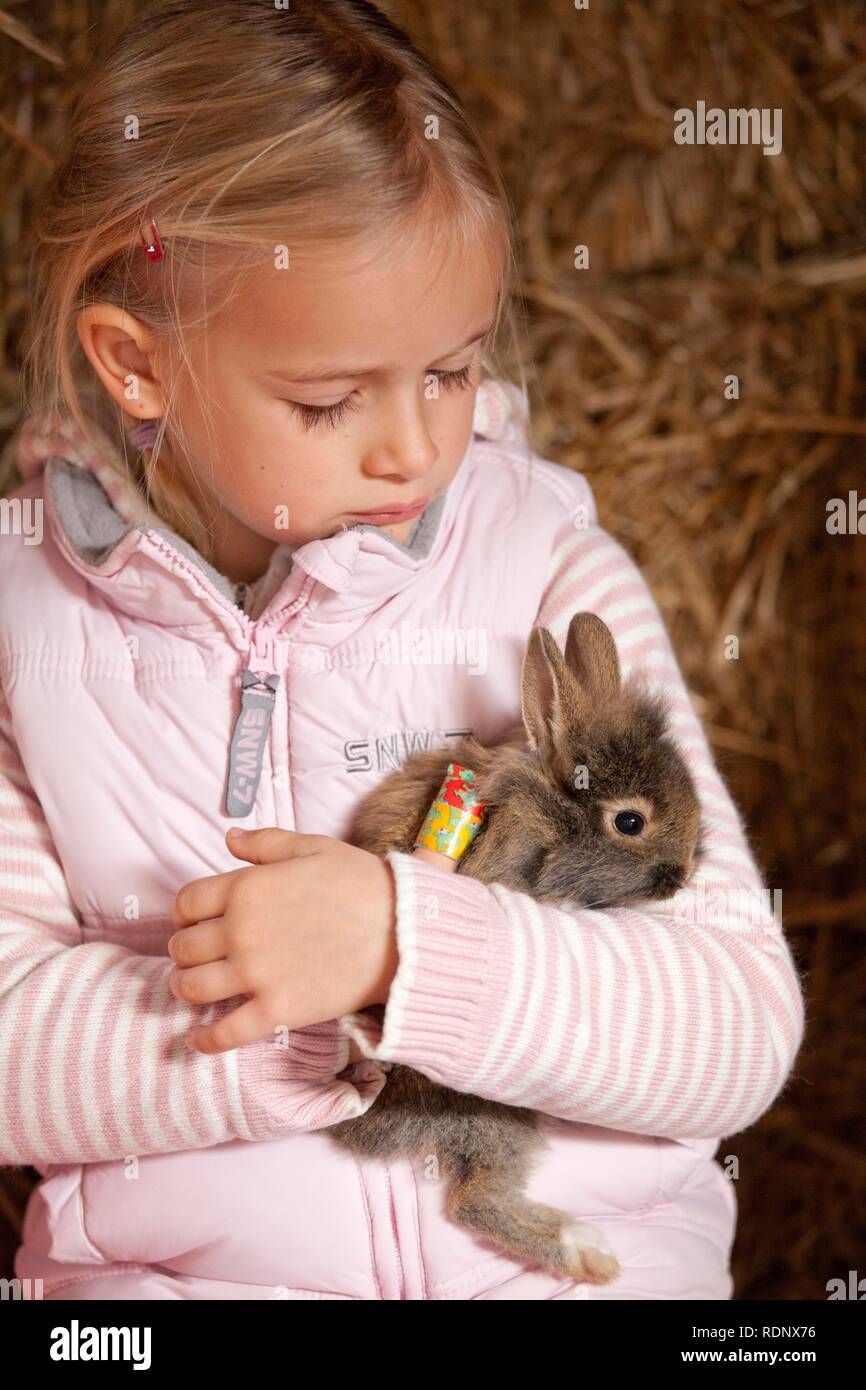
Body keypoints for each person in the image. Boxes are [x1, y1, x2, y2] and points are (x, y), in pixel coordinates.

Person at [0, 0, 804, 1300]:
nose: (413, 448)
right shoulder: (23, 627)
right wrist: (285, 1025)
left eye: (449, 370)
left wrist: (407, 951)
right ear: (134, 367)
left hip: (575, 1271)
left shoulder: (543, 565)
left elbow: (734, 1021)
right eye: (329, 400)